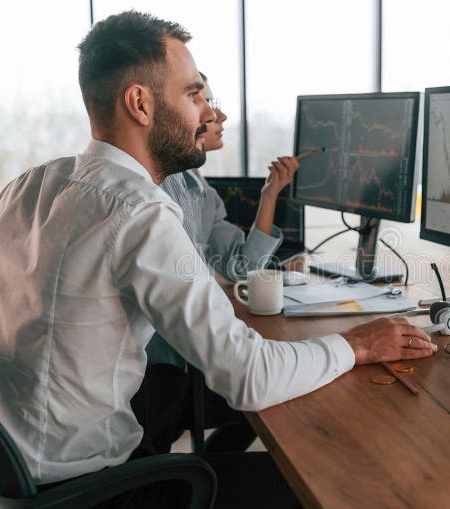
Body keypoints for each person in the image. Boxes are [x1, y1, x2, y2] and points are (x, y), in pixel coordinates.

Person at [0, 10, 437, 508]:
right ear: (140, 104)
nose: (207, 113)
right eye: (194, 94)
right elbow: (249, 376)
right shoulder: (140, 213)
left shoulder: (32, 183)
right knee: (328, 482)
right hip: (89, 490)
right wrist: (359, 344)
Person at [138, 72, 291, 456]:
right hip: (160, 377)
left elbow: (242, 265)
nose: (219, 115)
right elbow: (190, 286)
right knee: (272, 393)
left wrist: (270, 194)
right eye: (200, 100)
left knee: (262, 397)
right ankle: (203, 483)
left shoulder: (198, 188)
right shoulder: (164, 185)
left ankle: (208, 477)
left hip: (182, 366)